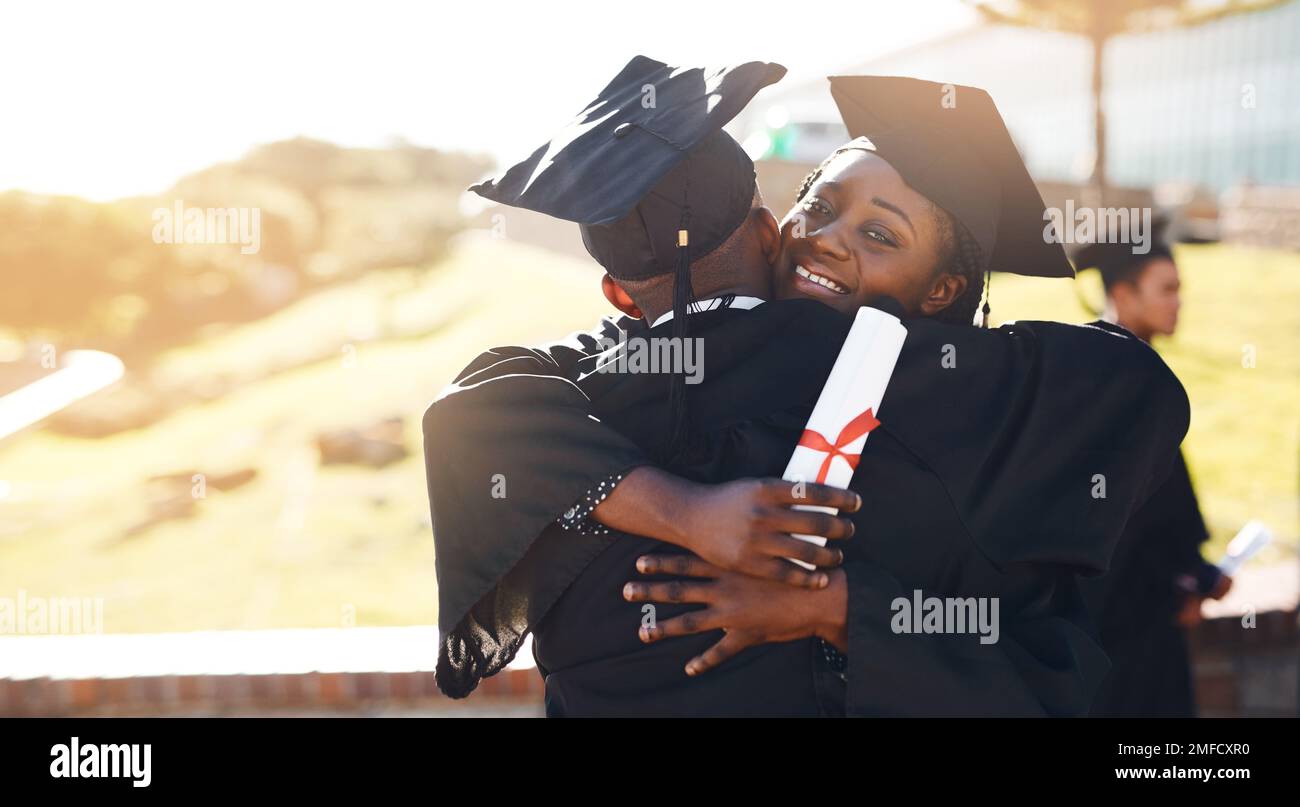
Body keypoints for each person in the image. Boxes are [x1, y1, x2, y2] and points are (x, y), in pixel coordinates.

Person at [425, 66, 1191, 716]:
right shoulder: (627, 365)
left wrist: (840, 609)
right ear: (771, 226)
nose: (826, 237)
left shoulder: (975, 413)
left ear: (943, 290)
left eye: (880, 234)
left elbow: (1041, 678)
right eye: (820, 205)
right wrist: (687, 512)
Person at [1075, 237, 1232, 717]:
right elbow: (1126, 511)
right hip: (1119, 624)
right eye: (1166, 289)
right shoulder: (1105, 376)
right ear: (1123, 295)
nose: (1178, 302)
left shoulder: (1123, 367)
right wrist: (1188, 577)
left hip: (1139, 614)